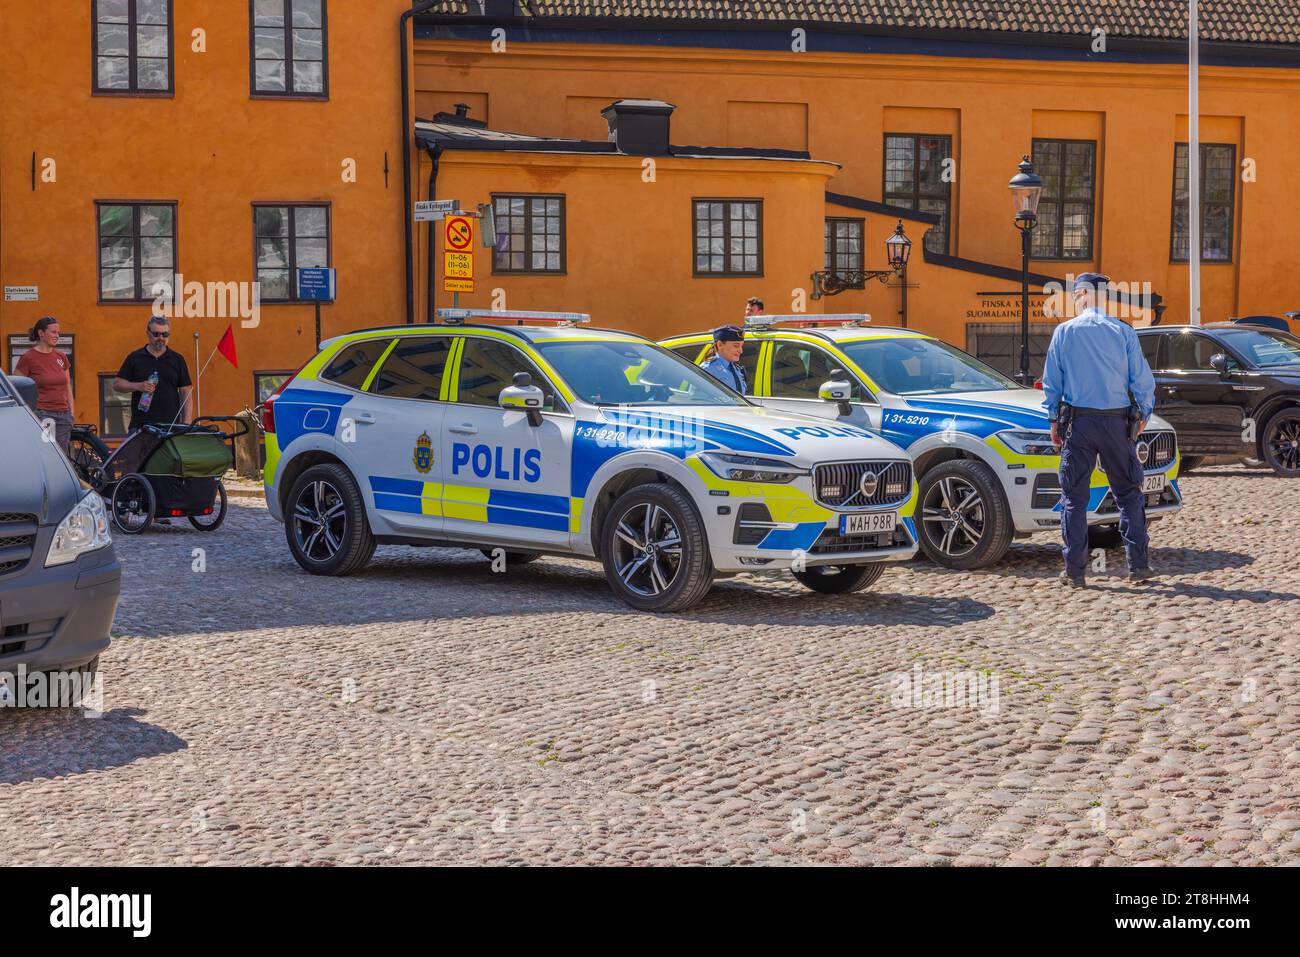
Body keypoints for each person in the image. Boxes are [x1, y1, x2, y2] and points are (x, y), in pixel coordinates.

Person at [1041, 273, 1157, 588]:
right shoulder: (1123, 331)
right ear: (1104, 297)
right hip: (1117, 423)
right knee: (1128, 493)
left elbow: (1053, 382)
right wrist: (1144, 413)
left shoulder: (1064, 332)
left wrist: (1054, 420)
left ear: (1080, 294)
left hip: (1079, 424)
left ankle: (1075, 572)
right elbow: (1142, 381)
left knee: (1074, 498)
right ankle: (1139, 567)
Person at [114, 315, 193, 432]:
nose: (160, 338)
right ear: (148, 333)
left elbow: (186, 391)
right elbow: (117, 384)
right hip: (141, 427)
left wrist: (186, 423)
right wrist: (138, 386)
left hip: (170, 428)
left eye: (165, 334)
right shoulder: (135, 357)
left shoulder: (177, 359)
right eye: (156, 334)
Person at [15, 316, 75, 454]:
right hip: (43, 413)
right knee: (49, 454)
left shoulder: (61, 357)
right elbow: (17, 388)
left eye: (58, 333)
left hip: (63, 414)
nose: (57, 336)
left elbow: (68, 387)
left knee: (62, 457)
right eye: (53, 332)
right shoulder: (28, 358)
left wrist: (71, 413)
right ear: (41, 333)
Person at [700, 324, 749, 394]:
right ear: (720, 345)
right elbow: (698, 401)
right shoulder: (708, 369)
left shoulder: (736, 368)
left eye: (741, 346)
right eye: (736, 346)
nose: (741, 351)